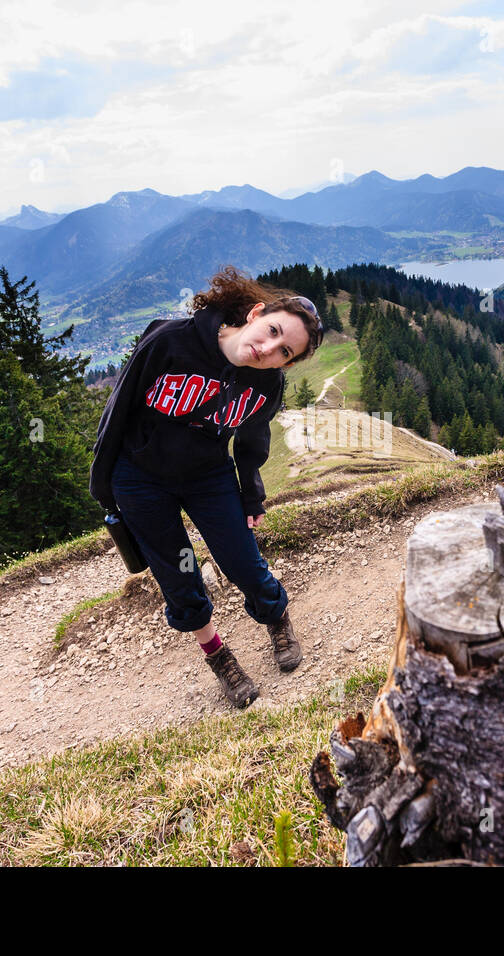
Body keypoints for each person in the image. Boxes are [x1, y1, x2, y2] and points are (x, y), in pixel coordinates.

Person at [88, 266, 325, 707]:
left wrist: (250, 493)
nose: (268, 348)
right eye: (272, 330)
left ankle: (276, 618)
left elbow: (254, 437)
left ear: (285, 363)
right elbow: (116, 411)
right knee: (179, 576)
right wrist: (105, 487)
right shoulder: (170, 341)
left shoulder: (265, 383)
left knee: (243, 562)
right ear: (255, 313)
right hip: (140, 479)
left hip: (207, 477)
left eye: (283, 351)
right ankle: (219, 657)